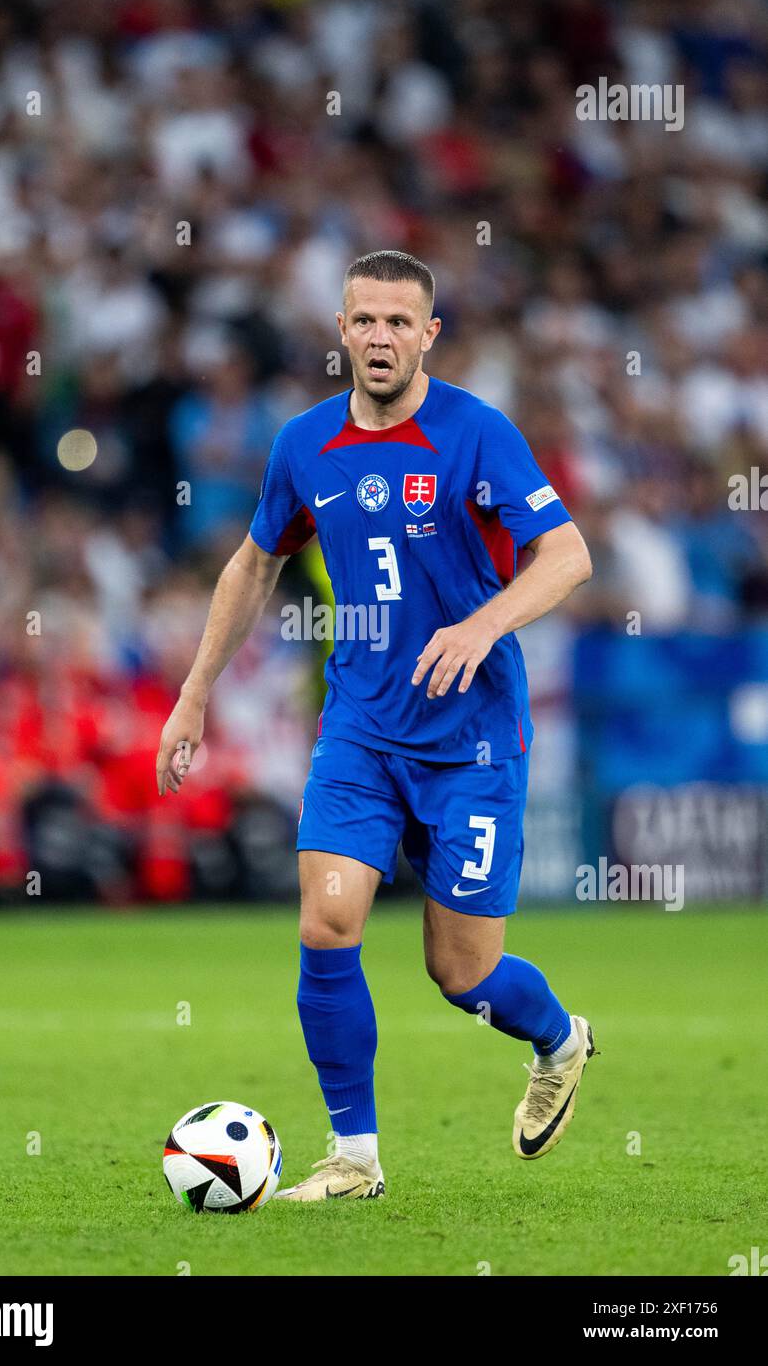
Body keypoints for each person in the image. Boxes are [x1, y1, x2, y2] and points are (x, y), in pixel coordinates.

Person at [156, 250, 596, 1201]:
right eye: (366, 321)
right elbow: (251, 566)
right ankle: (354, 1157)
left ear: (430, 334)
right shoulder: (305, 443)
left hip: (472, 738)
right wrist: (192, 695)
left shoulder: (475, 432)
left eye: (402, 322)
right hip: (360, 728)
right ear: (341, 331)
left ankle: (561, 1039)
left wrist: (482, 626)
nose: (383, 338)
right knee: (328, 920)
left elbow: (566, 555)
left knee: (460, 971)